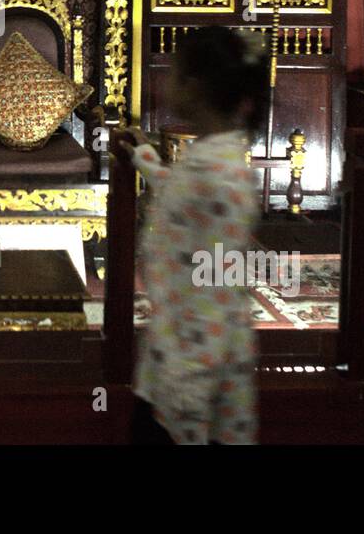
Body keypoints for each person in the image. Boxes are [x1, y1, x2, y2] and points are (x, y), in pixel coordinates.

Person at [127, 26, 269, 445]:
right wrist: (144, 155)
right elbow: (182, 194)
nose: (166, 82)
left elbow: (216, 285)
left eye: (173, 73)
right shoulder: (213, 157)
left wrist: (188, 390)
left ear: (195, 85)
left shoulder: (219, 174)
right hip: (177, 347)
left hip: (193, 362)